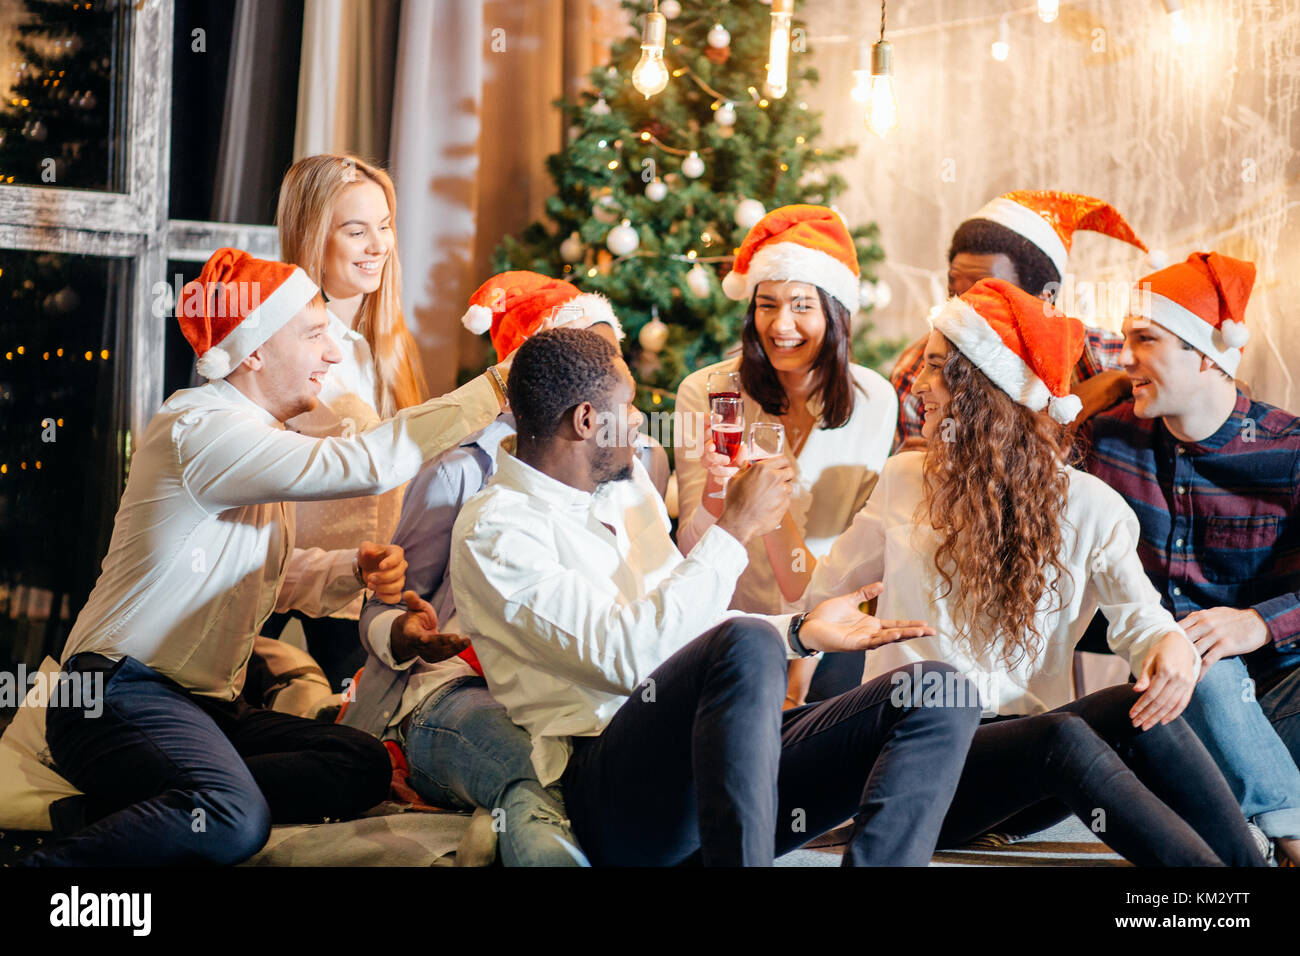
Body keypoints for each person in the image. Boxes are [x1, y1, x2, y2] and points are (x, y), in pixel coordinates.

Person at [16, 248, 513, 866]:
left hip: (200, 706)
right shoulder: (201, 428)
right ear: (252, 351)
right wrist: (497, 387)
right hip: (114, 693)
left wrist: (352, 571)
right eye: (313, 336)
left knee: (358, 762)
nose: (332, 355)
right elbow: (370, 462)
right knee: (233, 818)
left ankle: (129, 812)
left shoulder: (253, 437)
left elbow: (259, 574)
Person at [764, 277, 1264, 866]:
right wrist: (771, 520)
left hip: (1021, 774)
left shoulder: (1093, 506)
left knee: (1131, 710)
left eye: (937, 368)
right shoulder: (904, 481)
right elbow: (821, 598)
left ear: (985, 391)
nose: (918, 386)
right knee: (1062, 735)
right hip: (919, 760)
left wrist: (1169, 645)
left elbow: (1141, 619)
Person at [449, 327, 983, 867]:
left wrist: (799, 632)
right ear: (587, 420)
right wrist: (735, 526)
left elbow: (681, 622)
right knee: (745, 639)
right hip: (615, 788)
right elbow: (629, 657)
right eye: (628, 406)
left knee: (938, 690)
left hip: (722, 764)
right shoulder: (497, 530)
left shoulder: (627, 489)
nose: (639, 420)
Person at [344, 271, 633, 867]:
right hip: (459, 687)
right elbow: (384, 604)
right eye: (589, 358)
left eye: (613, 357)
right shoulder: (459, 473)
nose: (611, 378)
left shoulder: (626, 468)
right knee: (536, 774)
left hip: (573, 685)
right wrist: (406, 632)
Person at [1084, 251, 1300, 865]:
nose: (1124, 357)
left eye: (1145, 340)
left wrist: (1256, 623)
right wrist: (1096, 390)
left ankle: (1250, 824)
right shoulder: (1106, 441)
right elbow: (1015, 451)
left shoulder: (1289, 450)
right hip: (1175, 700)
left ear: (1208, 355)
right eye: (1125, 340)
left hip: (1286, 694)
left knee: (1206, 656)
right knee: (1193, 655)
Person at [675, 205, 897, 706]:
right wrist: (717, 489)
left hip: (827, 631)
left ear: (834, 313)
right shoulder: (705, 393)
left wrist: (798, 680)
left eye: (802, 306)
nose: (781, 325)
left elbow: (854, 554)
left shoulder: (874, 400)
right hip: (727, 631)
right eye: (767, 305)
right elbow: (690, 548)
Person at [265, 154, 429, 690]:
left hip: (363, 590)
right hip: (288, 577)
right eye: (357, 231)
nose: (379, 245)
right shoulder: (283, 347)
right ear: (314, 238)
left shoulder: (384, 347)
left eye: (384, 226)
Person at [890, 190, 1148, 451]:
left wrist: (1115, 383)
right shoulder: (916, 373)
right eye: (953, 293)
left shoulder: (1102, 357)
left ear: (1043, 298)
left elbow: (1166, 388)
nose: (963, 308)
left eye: (987, 293)